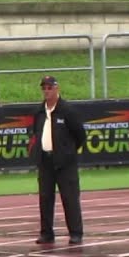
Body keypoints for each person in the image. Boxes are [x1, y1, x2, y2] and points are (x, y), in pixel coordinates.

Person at [33, 75, 86, 244]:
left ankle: (75, 232)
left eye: (50, 87)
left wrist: (67, 152)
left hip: (65, 164)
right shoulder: (40, 111)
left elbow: (80, 135)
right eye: (44, 88)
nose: (46, 91)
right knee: (45, 198)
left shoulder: (67, 110)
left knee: (70, 198)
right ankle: (46, 233)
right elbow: (36, 132)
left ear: (57, 88)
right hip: (45, 161)